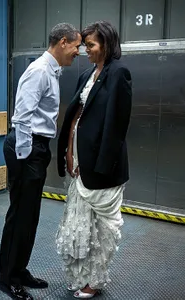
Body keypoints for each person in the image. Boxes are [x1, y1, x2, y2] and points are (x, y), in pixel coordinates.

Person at [0, 23, 81, 300]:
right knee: (19, 214)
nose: (78, 52)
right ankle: (8, 279)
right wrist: (24, 160)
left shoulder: (51, 70)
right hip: (27, 147)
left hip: (36, 147)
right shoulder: (39, 70)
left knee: (30, 216)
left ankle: (19, 270)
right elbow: (21, 118)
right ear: (62, 42)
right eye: (76, 45)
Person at [56, 20, 132, 299]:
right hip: (80, 163)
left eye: (91, 45)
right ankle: (79, 276)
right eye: (85, 45)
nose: (85, 50)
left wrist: (100, 168)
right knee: (79, 225)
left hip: (102, 170)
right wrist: (68, 152)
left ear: (107, 44)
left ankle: (95, 281)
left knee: (102, 231)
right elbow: (76, 117)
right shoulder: (86, 74)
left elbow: (116, 128)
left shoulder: (118, 73)